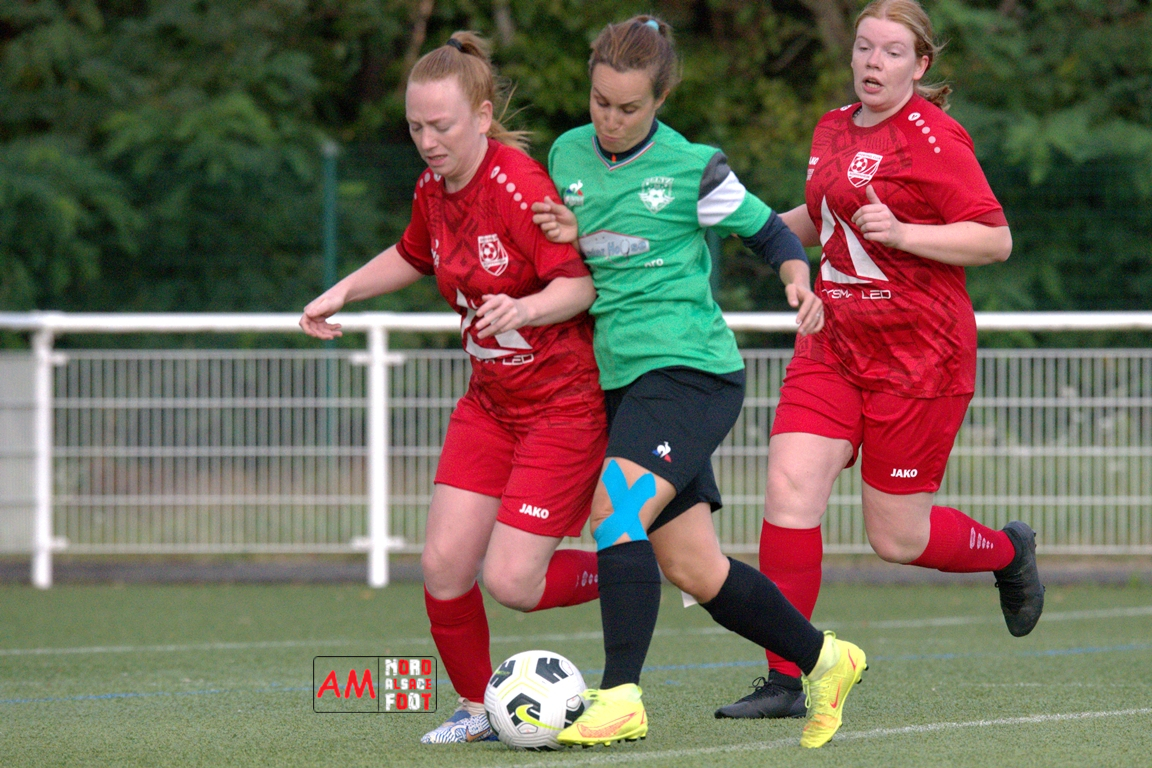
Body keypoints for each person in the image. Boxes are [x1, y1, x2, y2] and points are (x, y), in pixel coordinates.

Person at [532, 15, 866, 749]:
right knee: (693, 567)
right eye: (600, 102)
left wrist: (797, 278)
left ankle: (622, 697)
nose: (611, 119)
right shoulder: (566, 153)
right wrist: (560, 235)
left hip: (690, 371)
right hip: (622, 378)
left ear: (661, 100)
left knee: (616, 510)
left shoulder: (694, 168)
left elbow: (771, 233)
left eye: (630, 107)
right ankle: (826, 659)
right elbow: (569, 253)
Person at [716, 0, 1045, 721]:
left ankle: (1006, 553)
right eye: (864, 46)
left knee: (897, 538)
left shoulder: (934, 136)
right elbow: (821, 219)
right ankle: (787, 678)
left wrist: (904, 232)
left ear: (919, 65)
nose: (873, 61)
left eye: (892, 51)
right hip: (833, 344)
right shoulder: (832, 127)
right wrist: (746, 229)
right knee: (789, 488)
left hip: (919, 357)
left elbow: (995, 240)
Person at [299, 32, 607, 745]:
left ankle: (634, 568)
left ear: (483, 115)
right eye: (415, 127)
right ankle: (477, 709)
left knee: (513, 583)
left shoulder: (519, 185)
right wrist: (342, 291)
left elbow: (579, 286)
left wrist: (524, 309)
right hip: (490, 406)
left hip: (561, 406)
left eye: (440, 125)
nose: (427, 142)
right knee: (442, 566)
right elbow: (412, 254)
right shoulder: (431, 190)